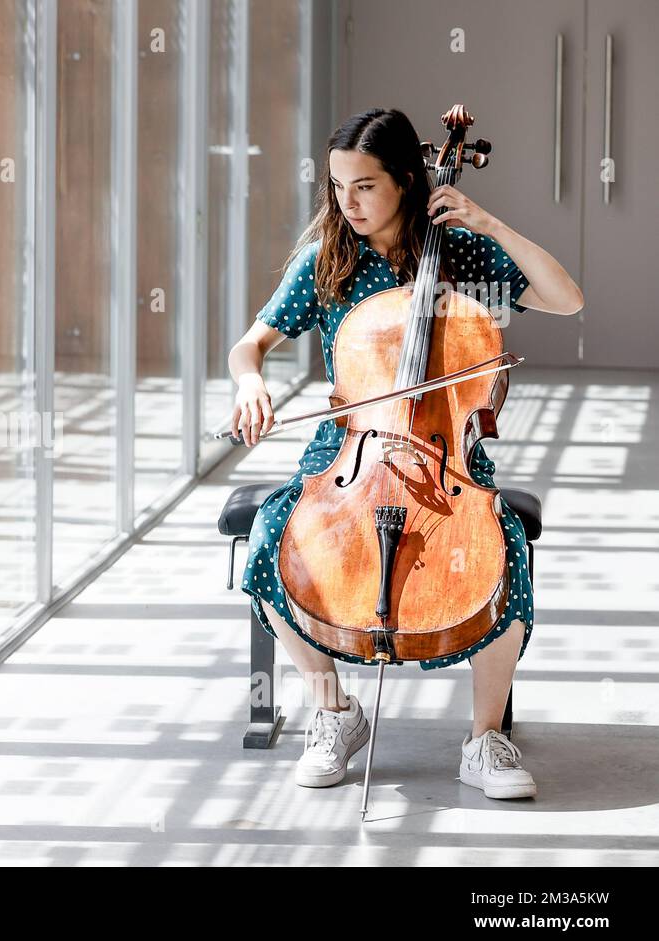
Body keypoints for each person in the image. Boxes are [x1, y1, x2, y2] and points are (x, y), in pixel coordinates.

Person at [227, 108, 583, 799]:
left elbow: (567, 299)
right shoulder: (329, 260)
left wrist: (490, 224)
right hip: (350, 445)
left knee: (502, 553)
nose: (347, 203)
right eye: (337, 186)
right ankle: (334, 712)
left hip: (444, 453)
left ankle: (485, 740)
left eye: (364, 186)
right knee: (273, 540)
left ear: (406, 181)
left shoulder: (459, 252)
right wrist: (249, 382)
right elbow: (252, 344)